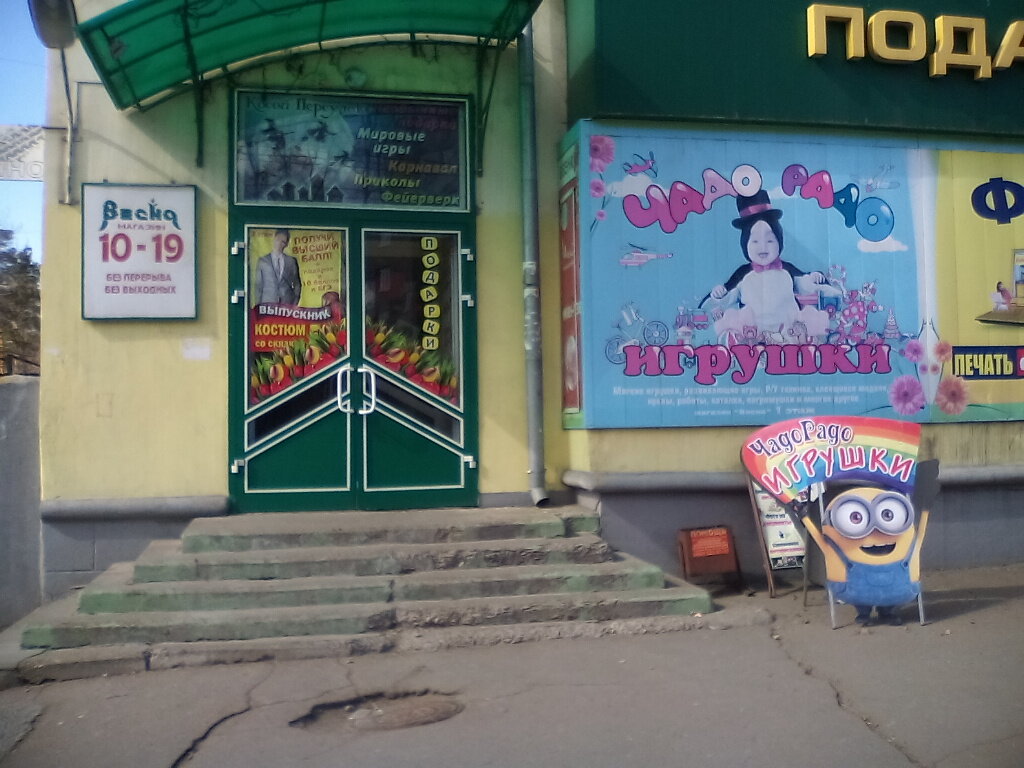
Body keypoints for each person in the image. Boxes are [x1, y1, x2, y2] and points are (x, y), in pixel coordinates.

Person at [701, 191, 836, 342]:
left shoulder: (786, 269)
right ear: (745, 244)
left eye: (770, 240)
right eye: (755, 241)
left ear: (779, 241)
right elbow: (725, 297)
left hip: (788, 334)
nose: (763, 247)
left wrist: (813, 278)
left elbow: (806, 284)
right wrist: (718, 294)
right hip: (754, 335)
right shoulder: (743, 274)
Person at [254, 229, 302, 305]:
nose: (279, 244)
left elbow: (297, 284)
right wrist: (258, 306)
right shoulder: (263, 261)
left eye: (283, 242)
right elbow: (258, 286)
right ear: (274, 238)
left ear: (286, 244)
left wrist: (294, 303)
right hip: (268, 303)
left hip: (287, 304)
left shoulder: (291, 261)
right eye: (278, 240)